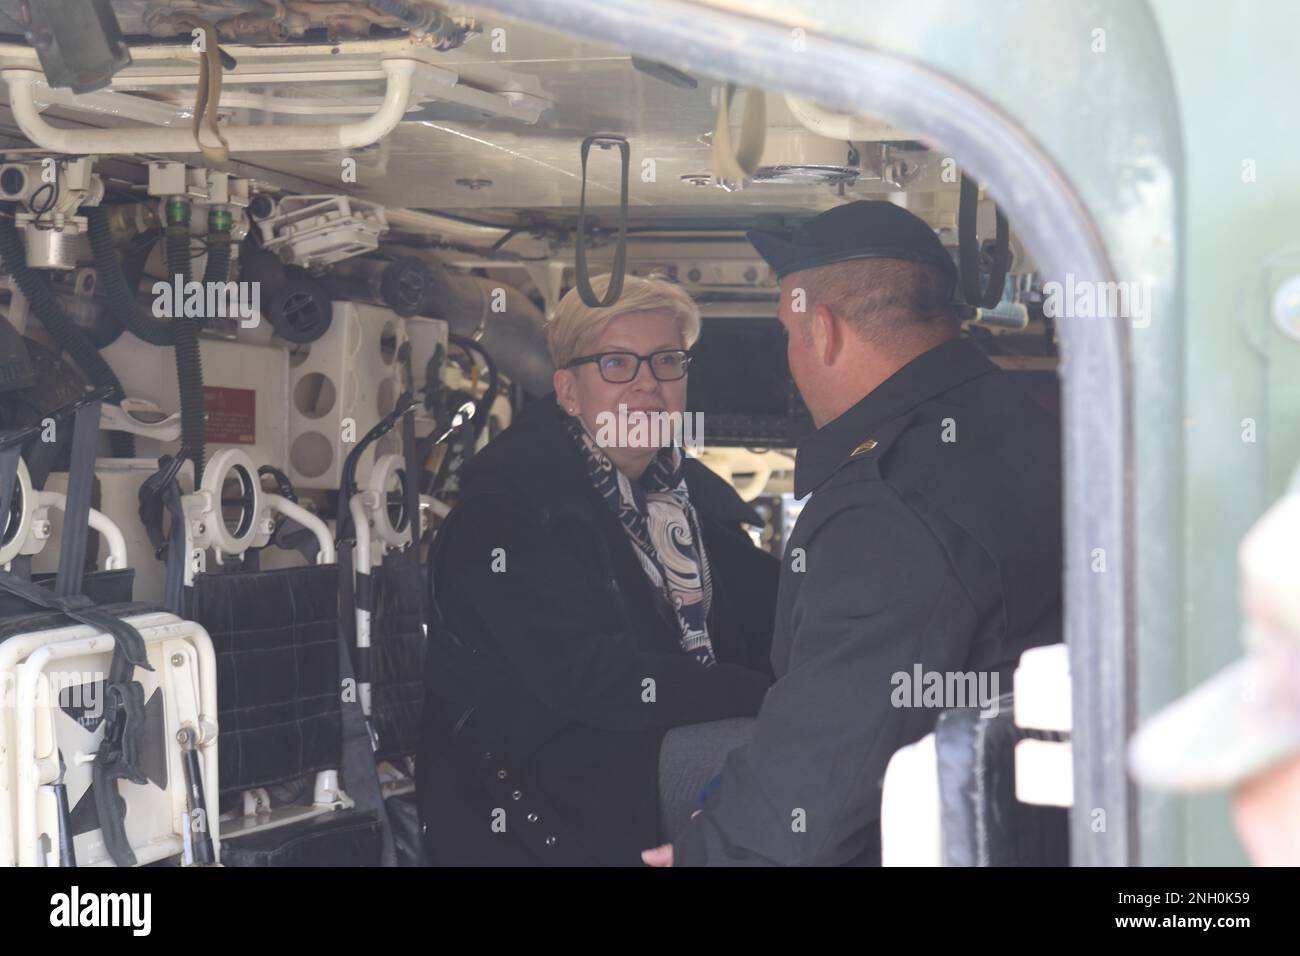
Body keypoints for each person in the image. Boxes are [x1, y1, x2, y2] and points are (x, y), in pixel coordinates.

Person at [642, 200, 1063, 866]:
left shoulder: (886, 504)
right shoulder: (1028, 424)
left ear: (824, 332)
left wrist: (710, 853)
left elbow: (814, 795)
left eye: (788, 331)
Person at [417, 273, 777, 866]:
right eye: (616, 364)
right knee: (780, 755)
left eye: (666, 361)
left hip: (647, 758)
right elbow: (597, 681)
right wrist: (765, 698)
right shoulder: (511, 510)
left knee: (841, 743)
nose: (647, 385)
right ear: (567, 390)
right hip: (540, 802)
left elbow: (780, 609)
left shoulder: (685, 502)